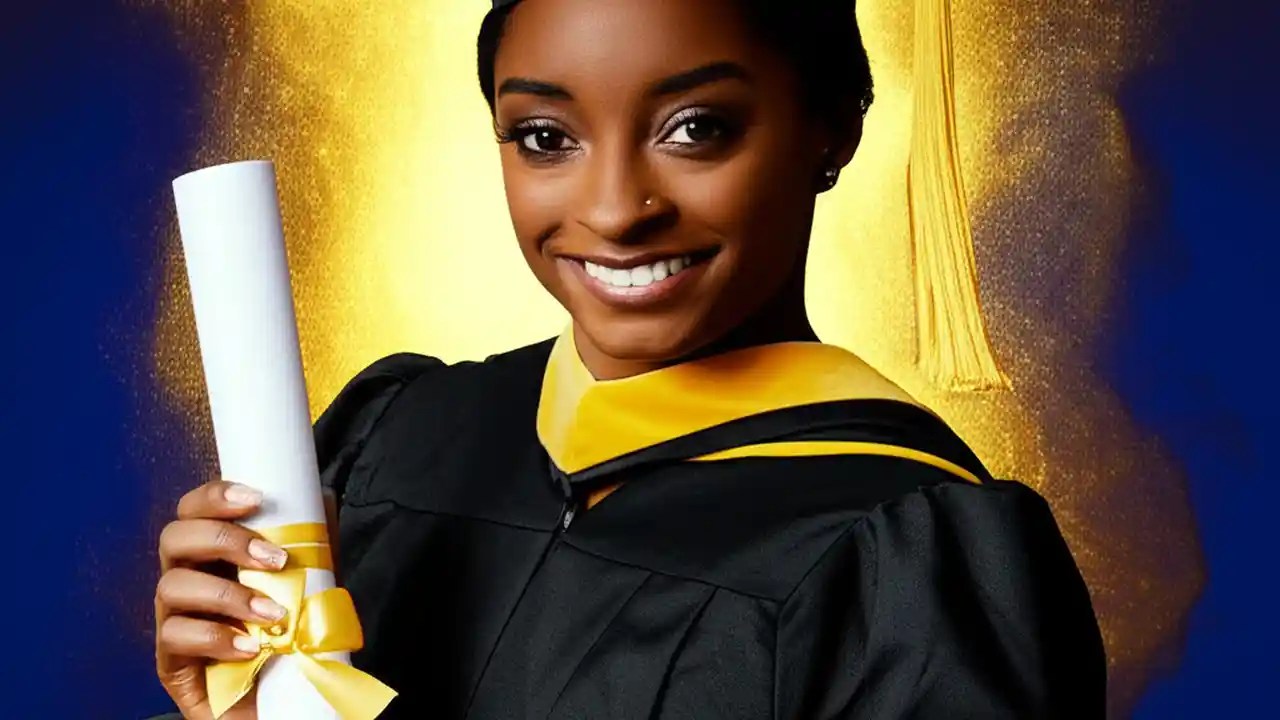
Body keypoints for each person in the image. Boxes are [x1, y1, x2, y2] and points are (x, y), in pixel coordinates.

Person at [152, 0, 1106, 718]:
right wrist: (238, 705)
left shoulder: (907, 569)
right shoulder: (397, 437)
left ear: (833, 127)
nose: (614, 210)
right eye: (545, 137)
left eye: (697, 128)